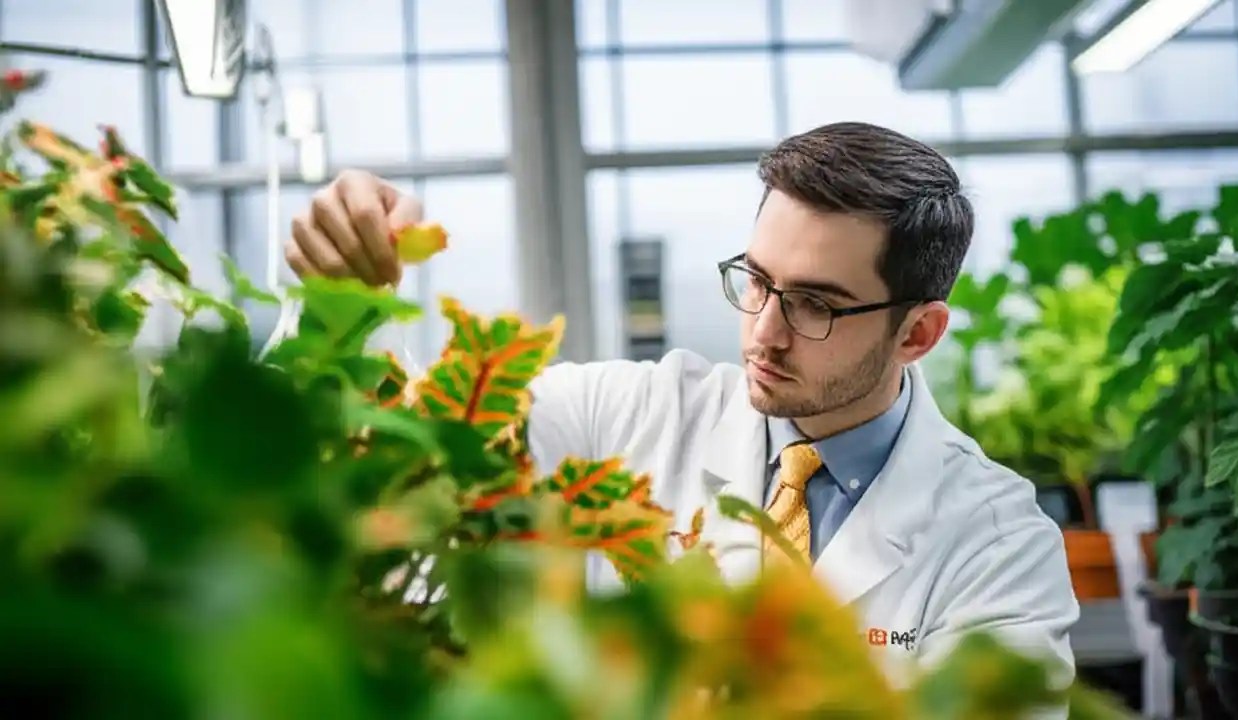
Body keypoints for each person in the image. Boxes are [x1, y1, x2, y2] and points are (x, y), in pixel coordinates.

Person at [280, 121, 1079, 692]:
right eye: (757, 280)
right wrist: (342, 301)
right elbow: (406, 447)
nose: (763, 332)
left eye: (816, 305)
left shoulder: (998, 547)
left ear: (918, 332)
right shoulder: (628, 414)